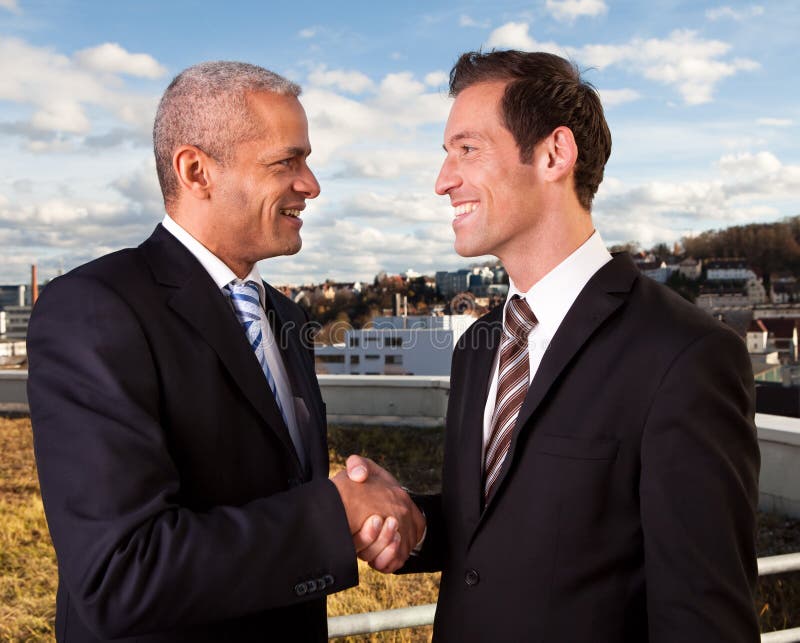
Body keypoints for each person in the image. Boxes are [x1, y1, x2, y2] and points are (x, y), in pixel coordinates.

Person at [349, 50, 760, 642]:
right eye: (446, 154)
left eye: (467, 149)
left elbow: (704, 619)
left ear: (552, 154)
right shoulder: (480, 345)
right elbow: (501, 528)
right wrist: (408, 525)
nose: (443, 181)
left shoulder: (685, 355)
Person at [27, 61, 422, 642]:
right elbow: (119, 577)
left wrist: (370, 515)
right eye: (287, 161)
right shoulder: (93, 308)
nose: (311, 184)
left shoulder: (285, 316)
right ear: (196, 170)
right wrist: (332, 514)